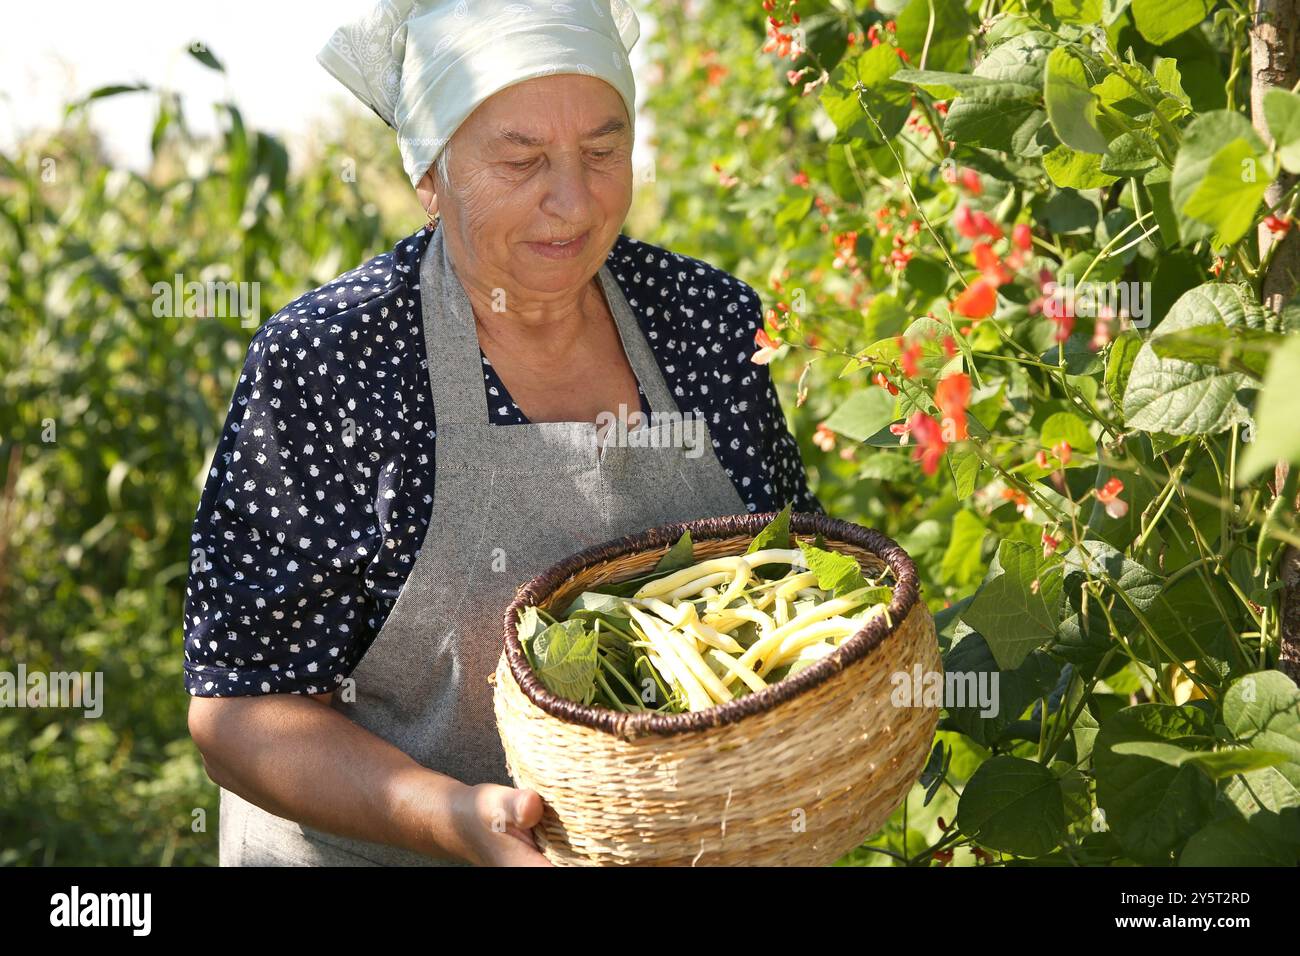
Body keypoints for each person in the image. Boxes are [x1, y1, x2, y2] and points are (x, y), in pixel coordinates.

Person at [183, 0, 822, 867]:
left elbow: (791, 578)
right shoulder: (334, 360)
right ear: (430, 177)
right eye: (522, 160)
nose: (572, 199)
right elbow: (240, 709)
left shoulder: (702, 321)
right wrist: (451, 817)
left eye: (604, 152)